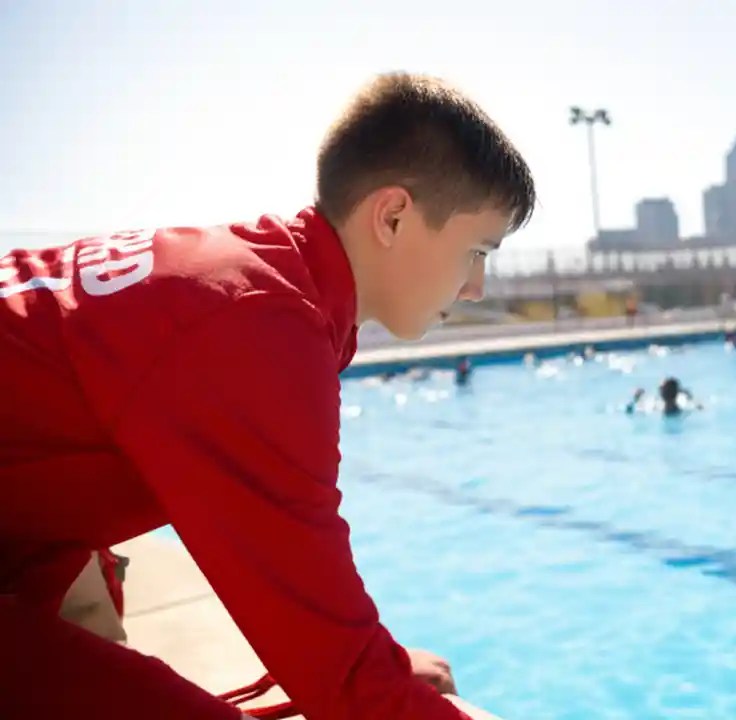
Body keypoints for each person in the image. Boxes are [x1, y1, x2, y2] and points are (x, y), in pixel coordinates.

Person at [0, 72, 536, 719]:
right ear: (392, 216)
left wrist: (374, 664)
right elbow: (337, 679)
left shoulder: (256, 280)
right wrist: (372, 674)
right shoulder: (255, 328)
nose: (477, 285)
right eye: (477, 251)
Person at [626, 377, 700, 415]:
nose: (661, 391)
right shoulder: (656, 405)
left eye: (662, 389)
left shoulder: (655, 407)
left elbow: (631, 409)